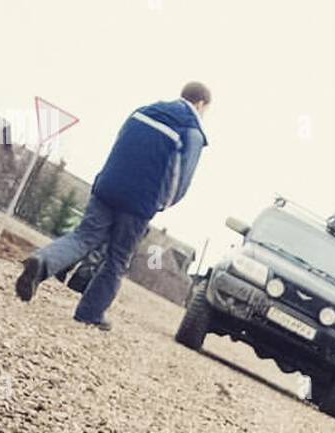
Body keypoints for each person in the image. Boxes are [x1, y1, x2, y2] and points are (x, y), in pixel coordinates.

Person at [15, 82, 211, 331]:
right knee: (117, 259)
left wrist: (106, 179)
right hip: (140, 202)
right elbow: (181, 178)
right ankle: (90, 313)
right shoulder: (191, 131)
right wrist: (163, 203)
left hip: (108, 186)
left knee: (83, 237)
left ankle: (41, 262)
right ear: (201, 104)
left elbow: (119, 143)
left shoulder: (145, 110)